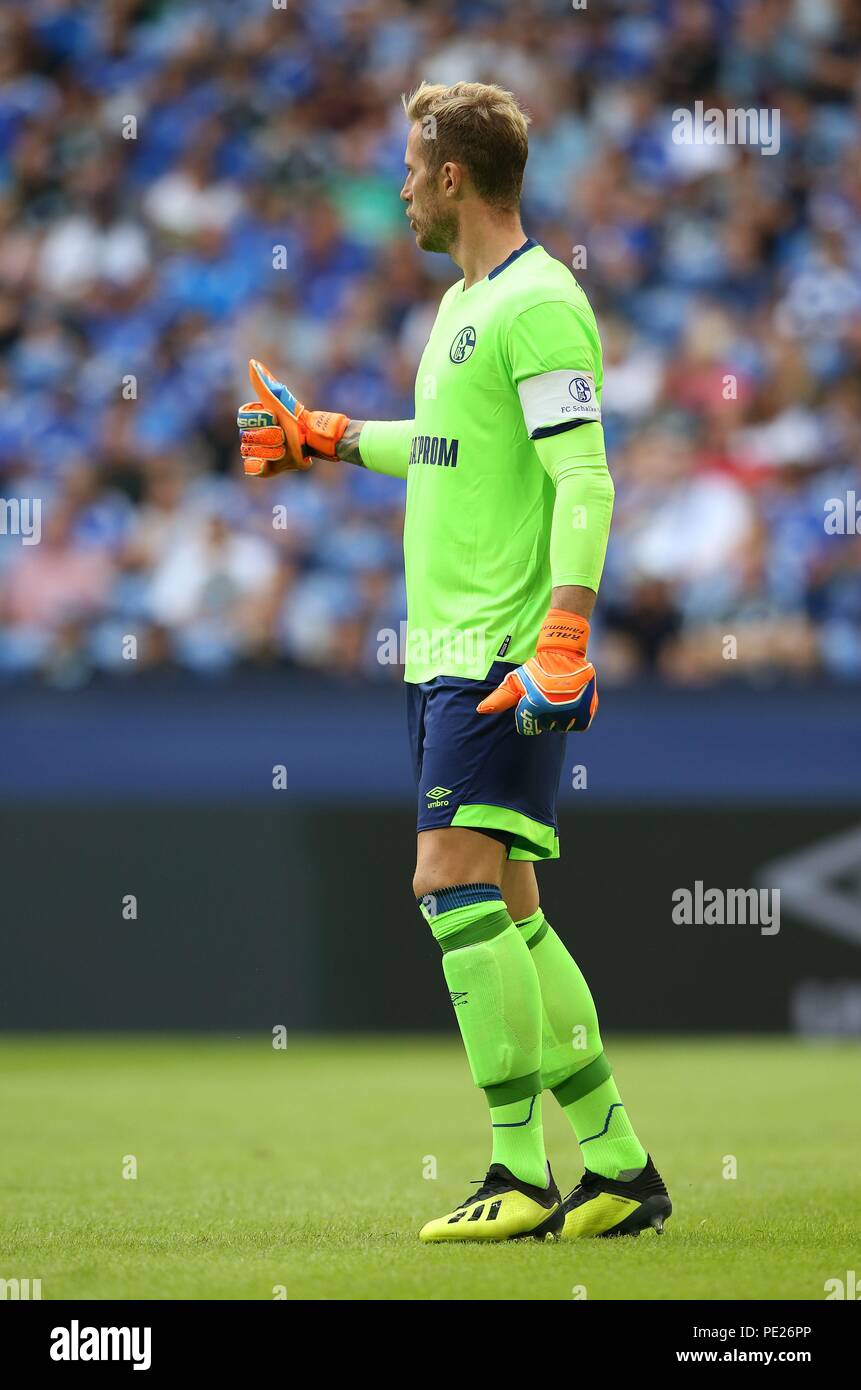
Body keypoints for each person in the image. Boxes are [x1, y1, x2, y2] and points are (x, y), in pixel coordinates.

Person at [237, 80, 671, 1243]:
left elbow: (586, 479)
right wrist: (326, 435)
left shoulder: (539, 304)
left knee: (448, 884)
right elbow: (440, 450)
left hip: (499, 652)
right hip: (445, 655)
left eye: (409, 168)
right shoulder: (464, 305)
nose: (396, 189)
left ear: (452, 178)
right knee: (514, 909)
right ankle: (621, 1167)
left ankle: (520, 1171)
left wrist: (566, 637)